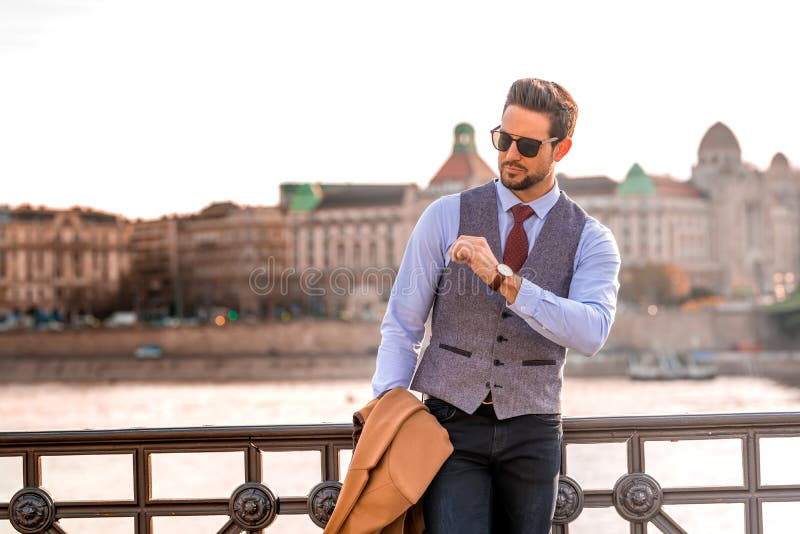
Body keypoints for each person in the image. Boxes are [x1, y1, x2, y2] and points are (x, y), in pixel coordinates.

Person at [371, 78, 620, 533]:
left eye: (526, 145)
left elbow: (592, 332)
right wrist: (387, 409)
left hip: (534, 428)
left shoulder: (591, 238)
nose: (510, 155)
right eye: (503, 140)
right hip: (450, 426)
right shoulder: (444, 215)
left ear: (560, 150)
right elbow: (402, 325)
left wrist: (505, 281)